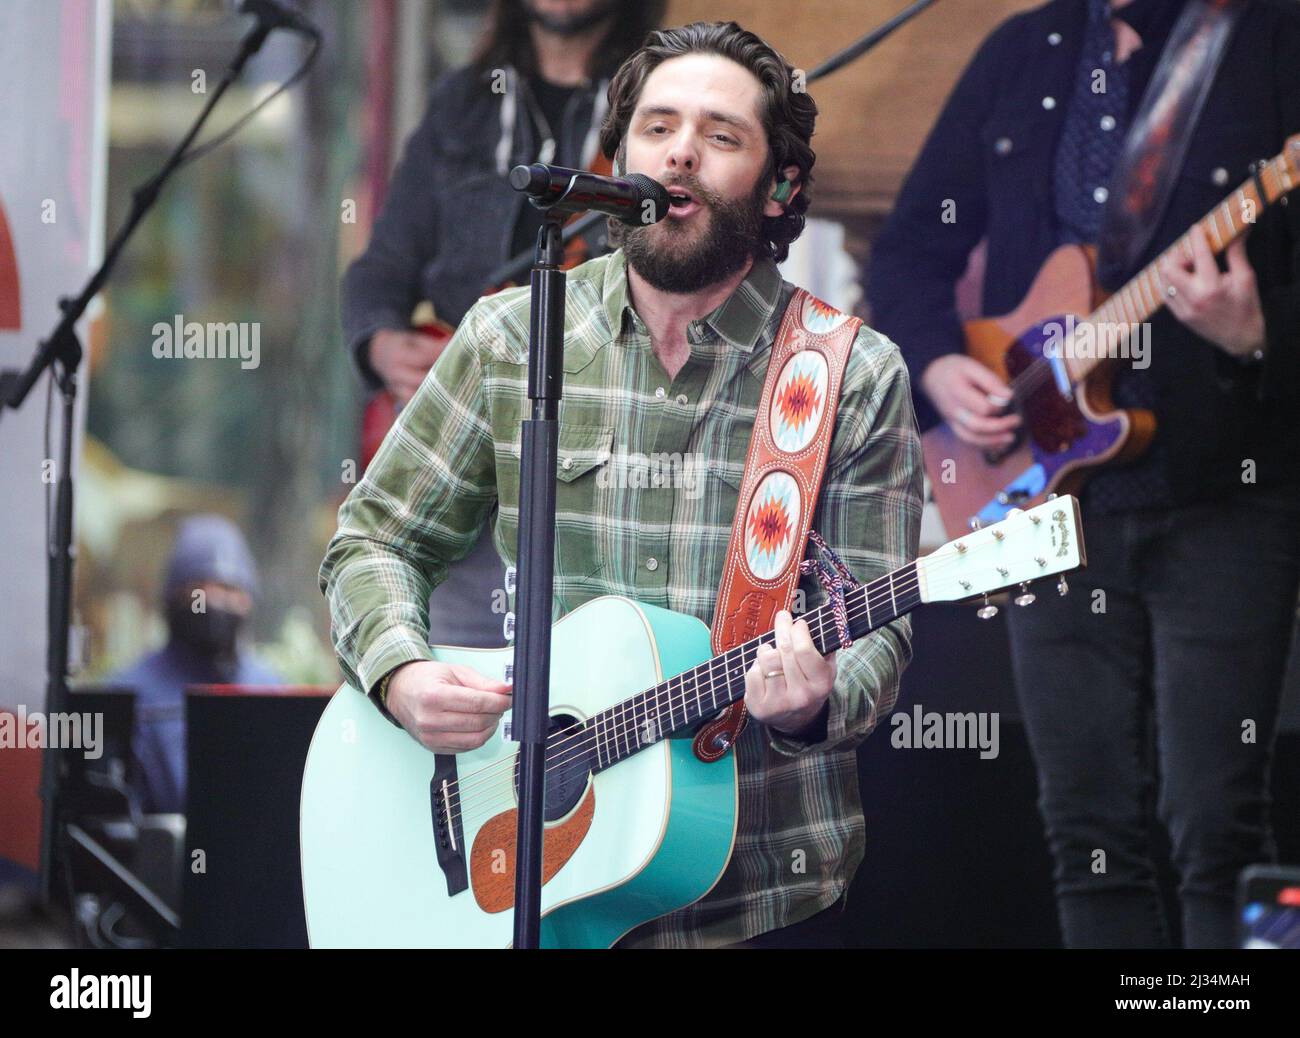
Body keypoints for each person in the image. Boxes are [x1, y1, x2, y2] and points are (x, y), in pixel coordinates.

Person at [320, 20, 924, 948]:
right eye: (656, 128)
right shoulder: (511, 338)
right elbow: (375, 541)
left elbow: (876, 627)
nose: (680, 150)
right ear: (616, 159)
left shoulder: (855, 373)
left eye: (721, 137)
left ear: (780, 188)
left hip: (758, 894)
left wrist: (814, 699)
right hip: (541, 881)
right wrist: (399, 669)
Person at [868, 0, 1300, 948]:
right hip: (1043, 495)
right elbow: (907, 252)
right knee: (1085, 828)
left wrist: (1262, 332)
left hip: (1226, 491)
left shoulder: (1270, 37)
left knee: (1217, 825)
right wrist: (941, 363)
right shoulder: (1024, 51)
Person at [341, 0, 664, 651]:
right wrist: (381, 343)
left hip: (593, 457)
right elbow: (379, 270)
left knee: (584, 680)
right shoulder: (463, 102)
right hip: (465, 452)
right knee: (454, 673)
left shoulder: (657, 110)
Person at [113, 515, 279, 814]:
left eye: (229, 589)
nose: (215, 600)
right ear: (174, 596)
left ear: (247, 600)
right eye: (201, 588)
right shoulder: (129, 697)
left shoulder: (273, 694)